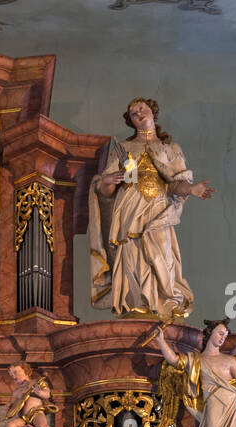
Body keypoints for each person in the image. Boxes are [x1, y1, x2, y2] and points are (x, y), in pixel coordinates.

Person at [89, 97, 214, 319]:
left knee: (162, 254)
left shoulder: (169, 148)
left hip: (158, 208)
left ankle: (162, 304)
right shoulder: (123, 148)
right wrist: (107, 181)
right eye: (133, 112)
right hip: (129, 206)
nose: (138, 113)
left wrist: (191, 189)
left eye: (141, 108)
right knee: (132, 255)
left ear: (152, 112)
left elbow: (176, 183)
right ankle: (136, 304)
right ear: (131, 121)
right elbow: (105, 192)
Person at [5, 363, 62, 427]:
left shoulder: (37, 382)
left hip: (36, 412)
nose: (14, 376)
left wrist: (39, 392)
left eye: (16, 372)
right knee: (11, 425)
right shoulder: (16, 392)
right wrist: (9, 406)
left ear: (26, 371)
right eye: (12, 375)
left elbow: (48, 394)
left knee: (42, 425)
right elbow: (13, 405)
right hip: (24, 418)